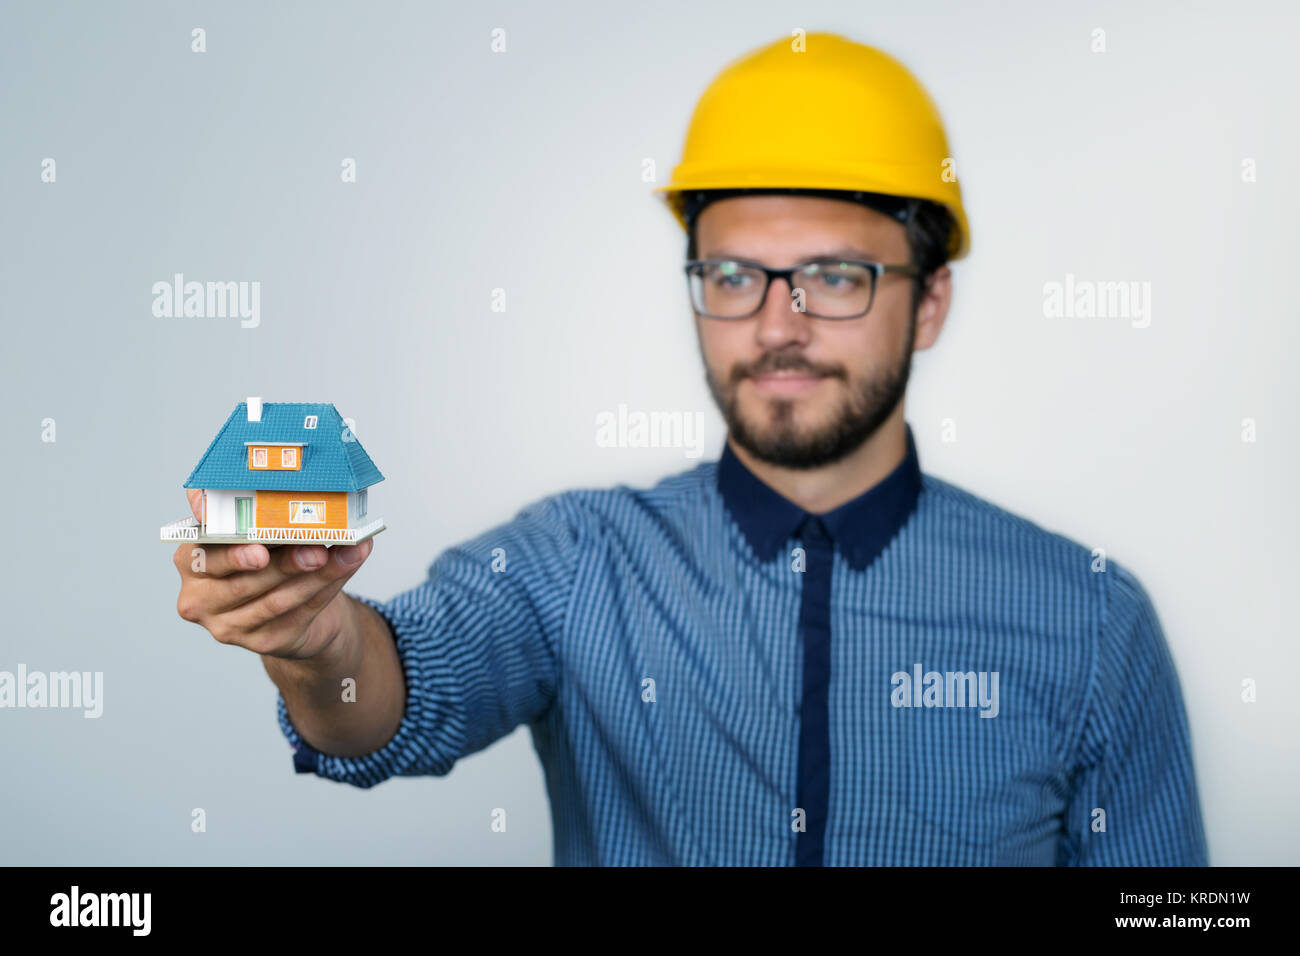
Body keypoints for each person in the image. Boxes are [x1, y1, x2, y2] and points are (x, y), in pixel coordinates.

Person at [171, 32, 1208, 866]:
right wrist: (316, 643)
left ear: (928, 300)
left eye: (836, 276)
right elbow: (387, 698)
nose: (776, 323)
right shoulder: (576, 562)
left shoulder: (1087, 620)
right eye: (732, 275)